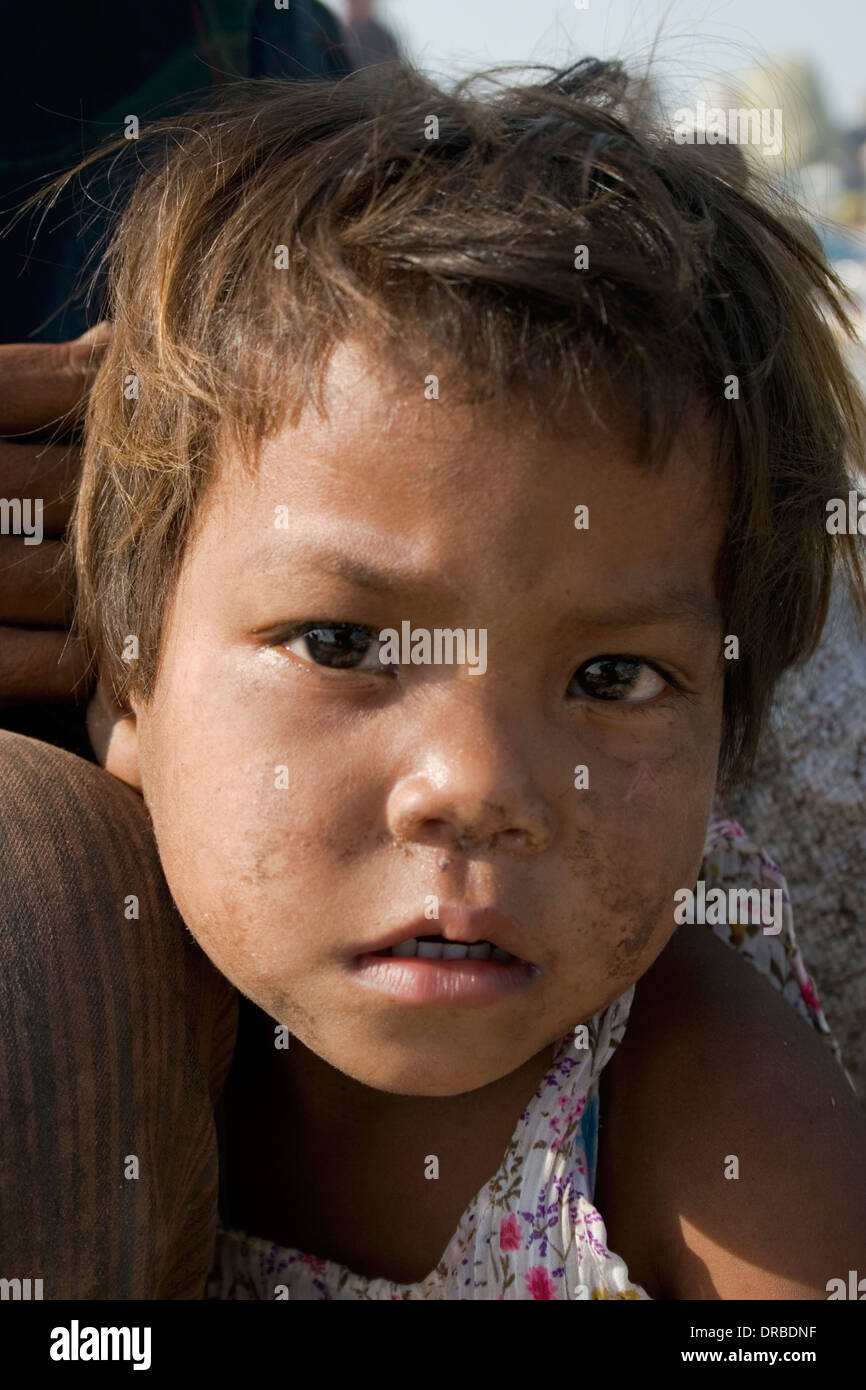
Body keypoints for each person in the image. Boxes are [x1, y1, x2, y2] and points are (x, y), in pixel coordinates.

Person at [2, 55, 866, 1300]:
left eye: (612, 674)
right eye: (342, 645)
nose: (474, 783)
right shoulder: (73, 1025)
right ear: (126, 689)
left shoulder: (693, 1108)